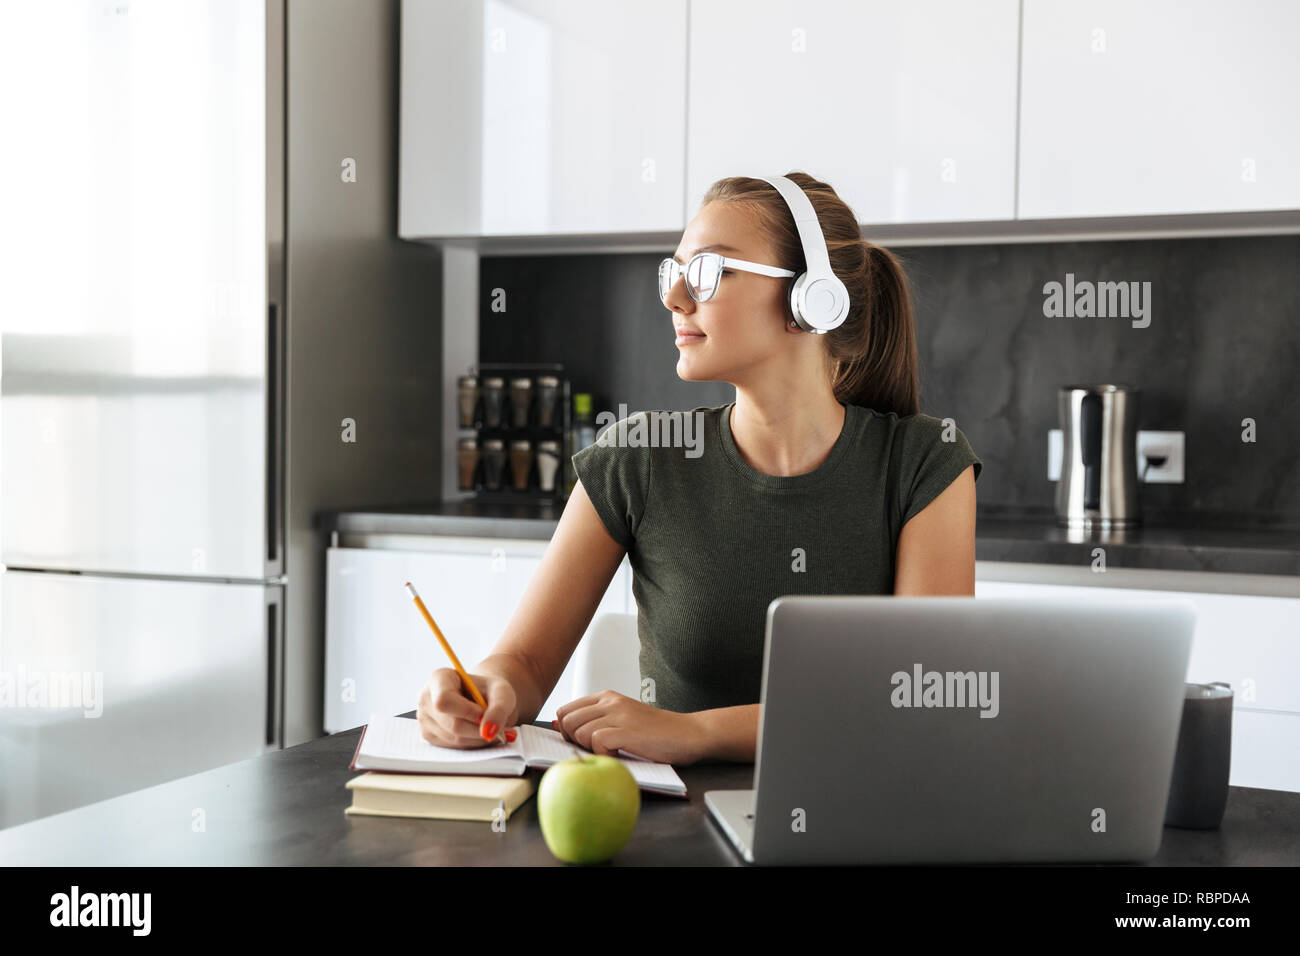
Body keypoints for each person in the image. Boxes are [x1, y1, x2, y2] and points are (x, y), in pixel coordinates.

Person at [416, 171, 982, 765]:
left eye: (709, 272)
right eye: (674, 270)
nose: (674, 297)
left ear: (811, 298)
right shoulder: (634, 458)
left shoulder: (924, 462)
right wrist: (483, 689)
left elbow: (924, 698)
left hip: (858, 823)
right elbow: (526, 665)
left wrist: (698, 732)